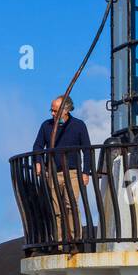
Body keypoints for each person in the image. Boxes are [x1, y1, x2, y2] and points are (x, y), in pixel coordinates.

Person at [33, 96, 93, 246]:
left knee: (71, 205)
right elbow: (38, 146)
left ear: (66, 110)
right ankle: (58, 242)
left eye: (55, 110)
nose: (52, 114)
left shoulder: (78, 125)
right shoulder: (46, 126)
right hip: (53, 173)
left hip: (72, 172)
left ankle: (74, 240)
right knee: (56, 208)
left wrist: (85, 172)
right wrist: (39, 162)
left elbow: (87, 150)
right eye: (51, 110)